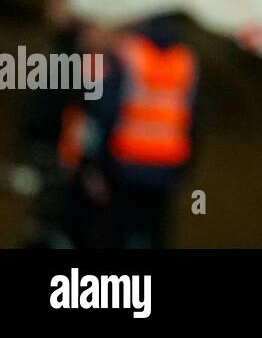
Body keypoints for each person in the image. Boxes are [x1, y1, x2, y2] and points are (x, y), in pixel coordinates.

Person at [82, 13, 198, 248]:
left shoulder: (127, 53)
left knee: (115, 233)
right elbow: (194, 121)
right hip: (166, 166)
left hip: (124, 163)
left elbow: (105, 111)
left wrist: (94, 164)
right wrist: (185, 169)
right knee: (152, 232)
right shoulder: (186, 60)